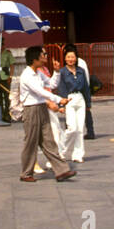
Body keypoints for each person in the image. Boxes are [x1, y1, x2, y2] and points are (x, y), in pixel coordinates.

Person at [18, 47, 75, 183]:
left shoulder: (38, 73)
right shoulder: (27, 75)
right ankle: (26, 173)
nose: (45, 56)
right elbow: (40, 91)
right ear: (35, 58)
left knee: (49, 141)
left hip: (42, 108)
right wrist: (58, 99)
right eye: (43, 54)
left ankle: (61, 171)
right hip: (31, 109)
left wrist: (56, 71)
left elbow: (51, 83)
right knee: (31, 143)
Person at [55, 48, 90, 163]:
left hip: (80, 98)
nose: (71, 59)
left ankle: (78, 154)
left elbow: (86, 88)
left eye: (73, 57)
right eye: (68, 57)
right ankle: (60, 151)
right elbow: (61, 88)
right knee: (72, 128)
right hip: (68, 99)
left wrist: (88, 102)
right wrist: (61, 104)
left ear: (76, 58)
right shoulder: (62, 72)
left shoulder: (81, 71)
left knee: (80, 129)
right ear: (65, 58)